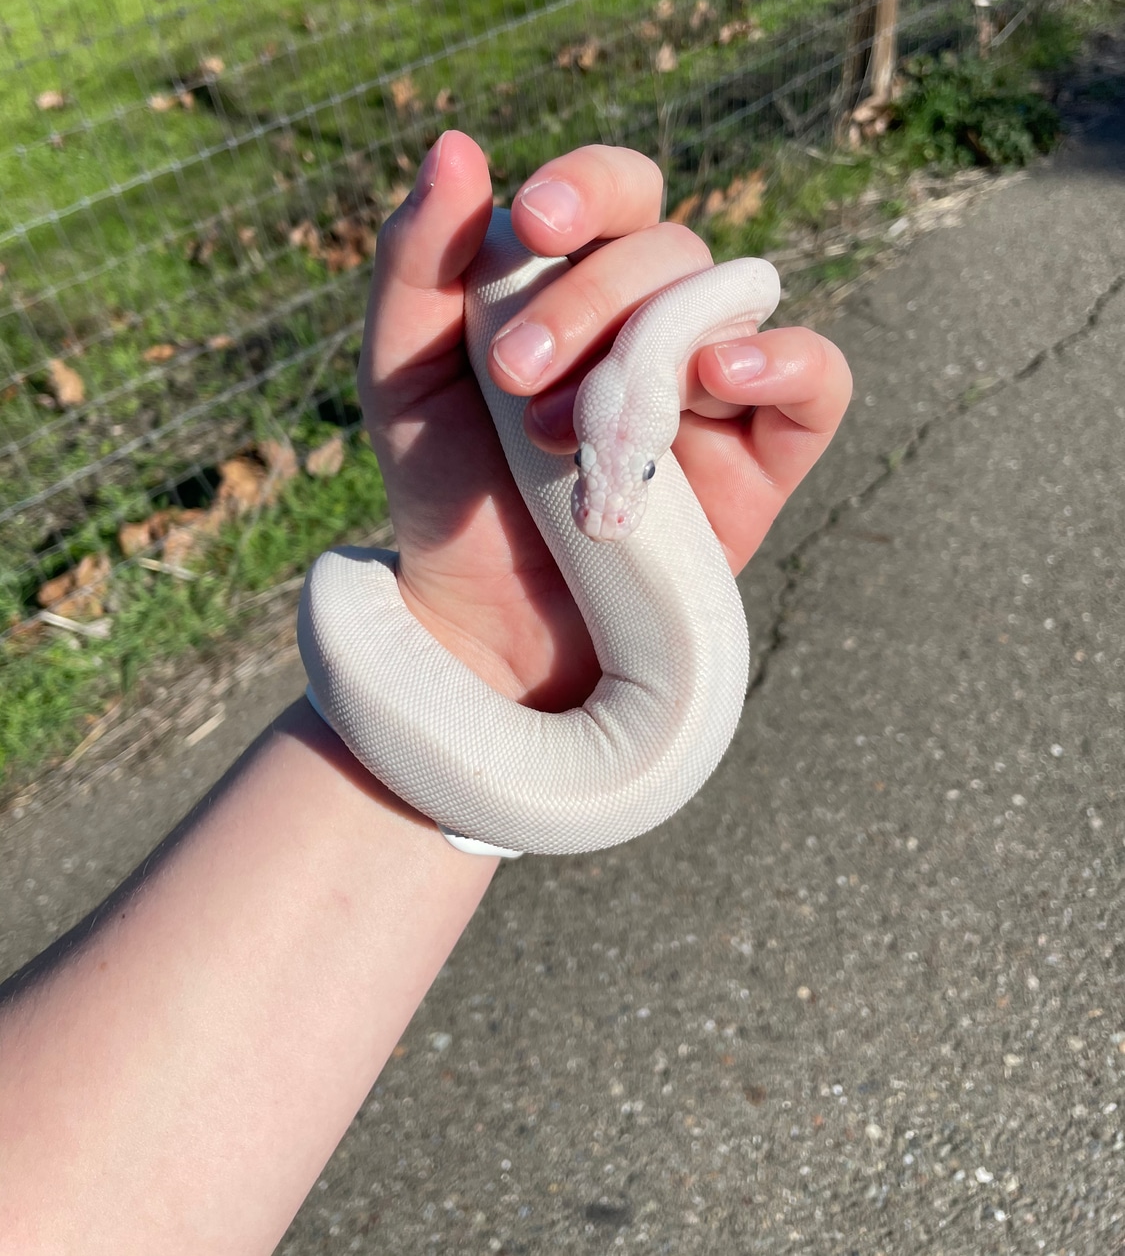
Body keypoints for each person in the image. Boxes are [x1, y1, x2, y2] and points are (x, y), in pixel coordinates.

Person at [0, 134, 851, 1252]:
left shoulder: (616, 416)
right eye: (606, 477)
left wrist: (483, 644)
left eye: (623, 481)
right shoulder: (602, 442)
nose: (605, 509)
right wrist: (484, 645)